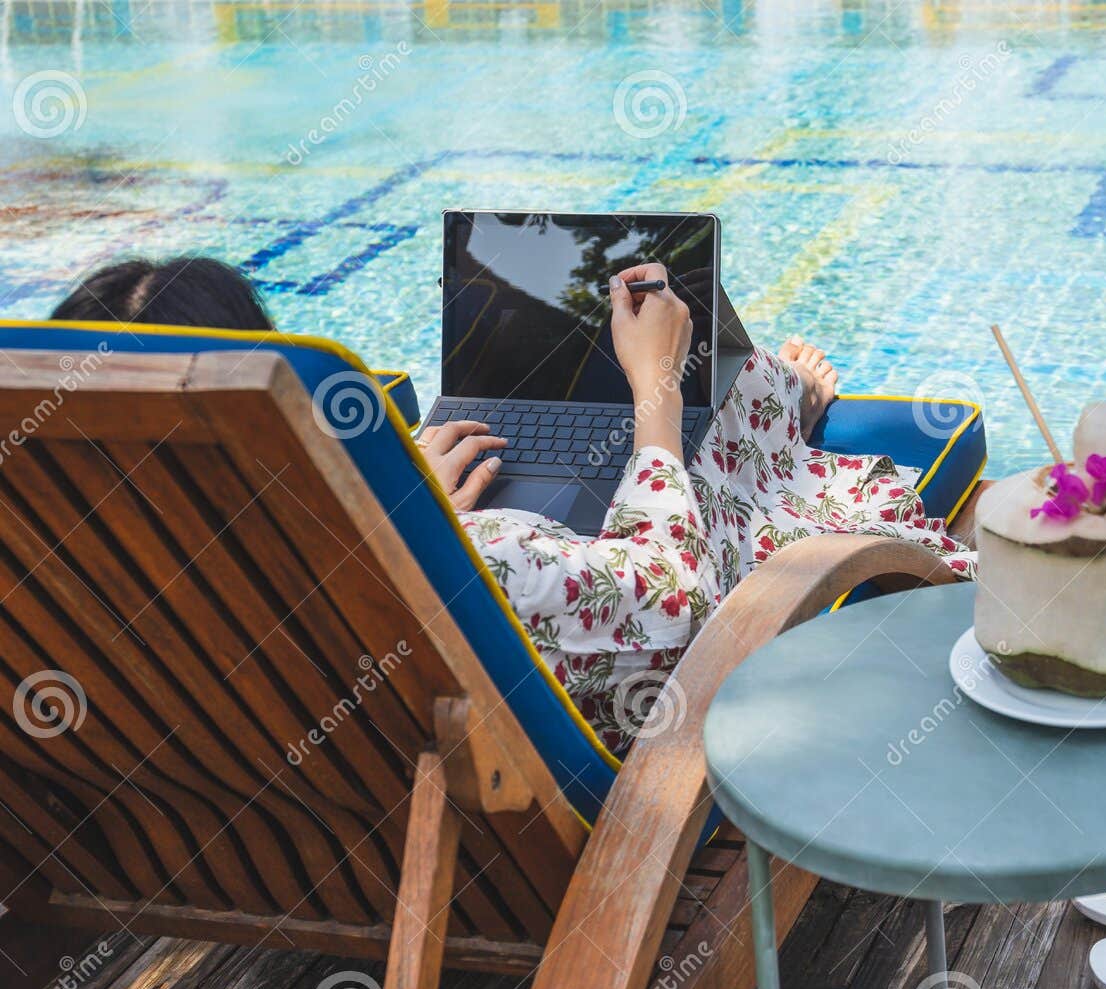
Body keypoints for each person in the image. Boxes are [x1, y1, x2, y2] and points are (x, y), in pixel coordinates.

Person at [53, 257, 975, 752]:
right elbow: (674, 594)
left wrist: (383, 498)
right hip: (596, 681)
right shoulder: (452, 563)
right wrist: (651, 389)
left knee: (723, 404)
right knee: (706, 413)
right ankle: (782, 405)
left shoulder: (64, 591)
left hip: (296, 756)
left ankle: (773, 401)